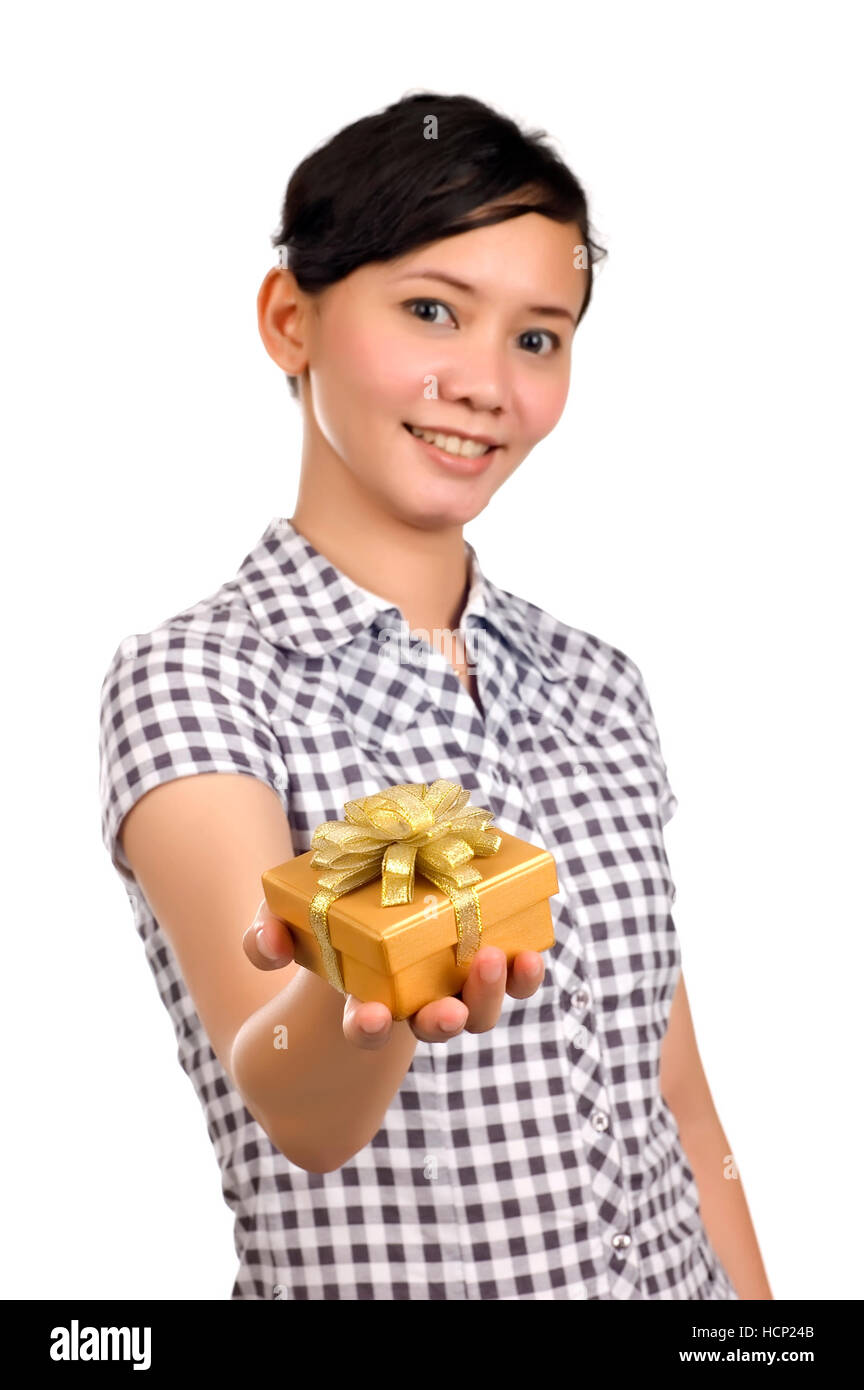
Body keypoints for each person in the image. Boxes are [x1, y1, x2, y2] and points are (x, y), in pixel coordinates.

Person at [98, 91, 772, 1301]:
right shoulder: (196, 678)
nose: (484, 383)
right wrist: (371, 986)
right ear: (288, 319)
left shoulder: (598, 684)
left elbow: (676, 1098)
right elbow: (287, 1102)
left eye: (538, 336)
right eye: (430, 311)